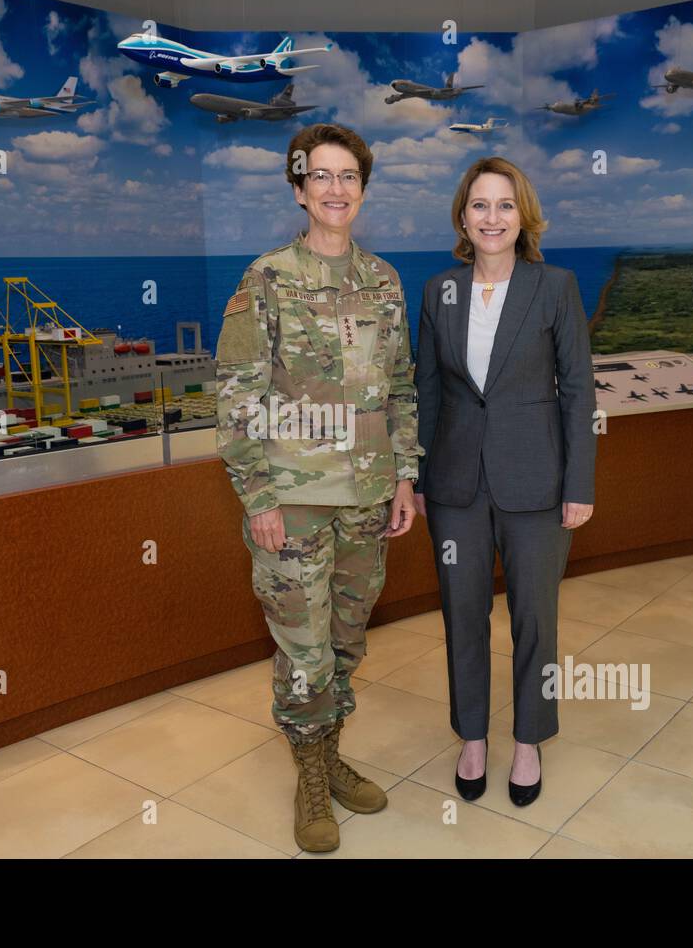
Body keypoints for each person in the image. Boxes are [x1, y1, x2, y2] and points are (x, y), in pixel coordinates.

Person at [215, 123, 421, 852]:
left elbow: (400, 386)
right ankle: (309, 773)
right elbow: (238, 398)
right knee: (301, 648)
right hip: (294, 503)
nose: (336, 190)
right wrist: (259, 499)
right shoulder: (265, 279)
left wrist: (405, 476)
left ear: (363, 189)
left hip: (367, 500)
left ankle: (330, 751)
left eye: (349, 177)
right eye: (321, 178)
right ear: (299, 189)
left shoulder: (385, 281)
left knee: (346, 640)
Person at [412, 156, 596, 807]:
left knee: (535, 621)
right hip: (456, 487)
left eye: (505, 205)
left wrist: (580, 484)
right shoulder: (440, 292)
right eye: (480, 205)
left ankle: (527, 741)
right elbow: (427, 392)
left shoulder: (556, 288)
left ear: (524, 218)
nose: (492, 218)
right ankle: (472, 738)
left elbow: (577, 392)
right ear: (463, 217)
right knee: (463, 616)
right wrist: (417, 478)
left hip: (538, 487)